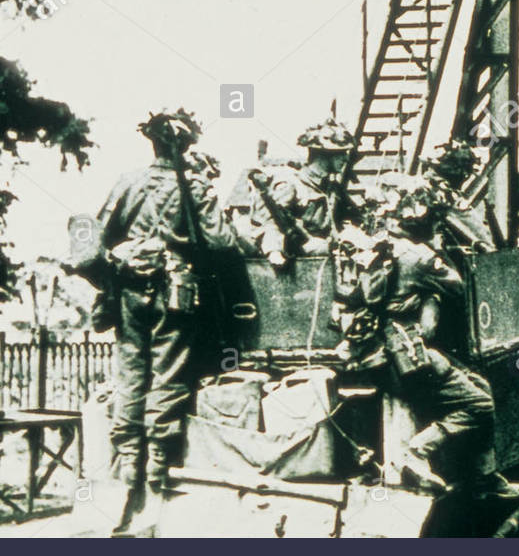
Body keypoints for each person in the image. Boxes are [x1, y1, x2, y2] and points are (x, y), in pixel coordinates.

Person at [88, 108, 236, 534]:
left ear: (151, 141)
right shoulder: (197, 188)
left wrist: (121, 267)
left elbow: (97, 236)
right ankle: (156, 482)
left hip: (129, 292)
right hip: (177, 293)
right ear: (188, 144)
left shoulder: (127, 181)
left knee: (131, 376)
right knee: (168, 378)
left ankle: (126, 480)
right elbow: (221, 243)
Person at [337, 176, 519, 501]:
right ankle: (417, 451)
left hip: (373, 352)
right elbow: (462, 288)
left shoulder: (371, 248)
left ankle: (485, 477)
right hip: (407, 356)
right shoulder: (421, 256)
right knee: (480, 404)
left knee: (479, 384)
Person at [247, 118, 354, 264]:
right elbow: (272, 220)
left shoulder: (332, 188)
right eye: (340, 153)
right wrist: (274, 251)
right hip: (299, 260)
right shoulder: (292, 184)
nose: (345, 159)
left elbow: (349, 218)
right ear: (323, 155)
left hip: (328, 258)